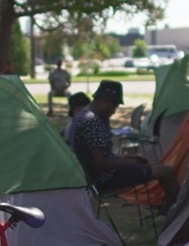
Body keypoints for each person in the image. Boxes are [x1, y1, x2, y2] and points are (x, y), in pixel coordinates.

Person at [65, 80, 179, 212]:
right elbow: (101, 164)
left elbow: (104, 156)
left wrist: (132, 157)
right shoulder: (92, 122)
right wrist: (131, 162)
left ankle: (169, 206)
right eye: (115, 107)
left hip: (98, 175)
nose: (114, 112)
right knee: (166, 171)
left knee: (158, 166)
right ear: (107, 103)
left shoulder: (83, 115)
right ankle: (181, 210)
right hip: (104, 178)